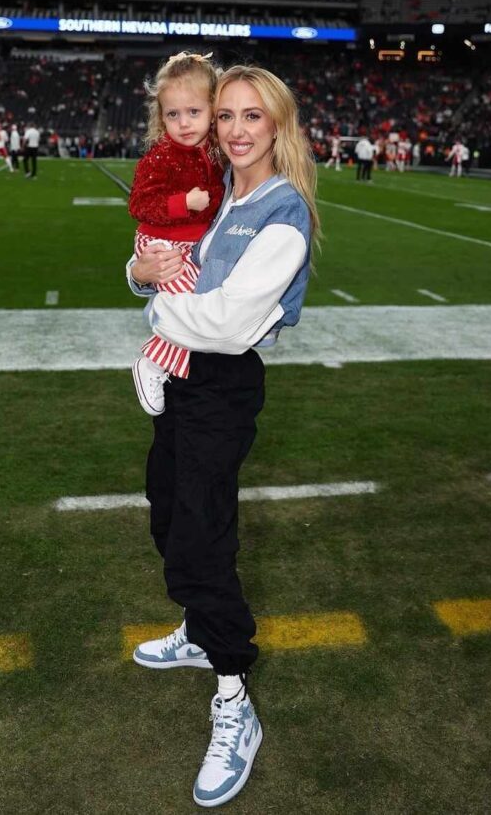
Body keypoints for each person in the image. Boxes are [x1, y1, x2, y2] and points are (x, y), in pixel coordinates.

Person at [127, 64, 317, 809]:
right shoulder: (217, 188)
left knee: (202, 538)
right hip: (182, 374)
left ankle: (233, 692)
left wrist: (153, 315)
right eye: (227, 115)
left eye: (252, 116)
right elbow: (161, 256)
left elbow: (233, 325)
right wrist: (141, 269)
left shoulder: (282, 210)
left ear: (278, 125)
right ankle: (198, 631)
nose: (236, 130)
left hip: (220, 380)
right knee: (167, 509)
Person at [128, 51, 225, 415]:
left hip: (190, 245)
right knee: (194, 306)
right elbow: (139, 204)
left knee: (203, 306)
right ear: (161, 116)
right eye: (173, 114)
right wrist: (184, 202)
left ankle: (166, 365)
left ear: (213, 110)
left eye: (194, 112)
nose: (183, 123)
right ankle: (153, 363)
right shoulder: (162, 156)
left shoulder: (217, 153)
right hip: (162, 243)